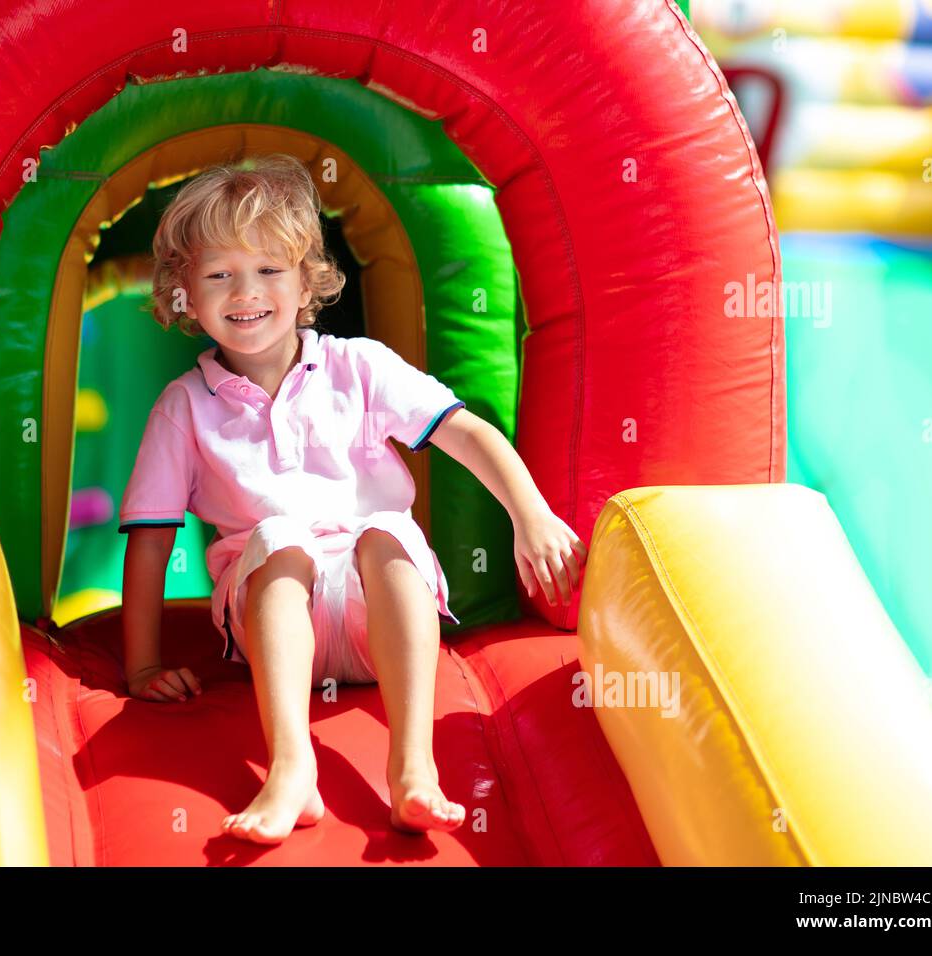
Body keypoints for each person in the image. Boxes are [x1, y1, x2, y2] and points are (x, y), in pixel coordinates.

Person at [118, 153, 587, 844]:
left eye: (269, 270)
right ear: (183, 292)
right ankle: (291, 768)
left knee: (390, 532)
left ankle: (413, 770)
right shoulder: (185, 406)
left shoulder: (357, 367)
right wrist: (143, 665)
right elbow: (151, 539)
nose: (246, 292)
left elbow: (465, 431)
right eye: (219, 275)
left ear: (306, 279)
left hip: (377, 623)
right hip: (274, 629)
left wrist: (532, 516)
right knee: (278, 537)